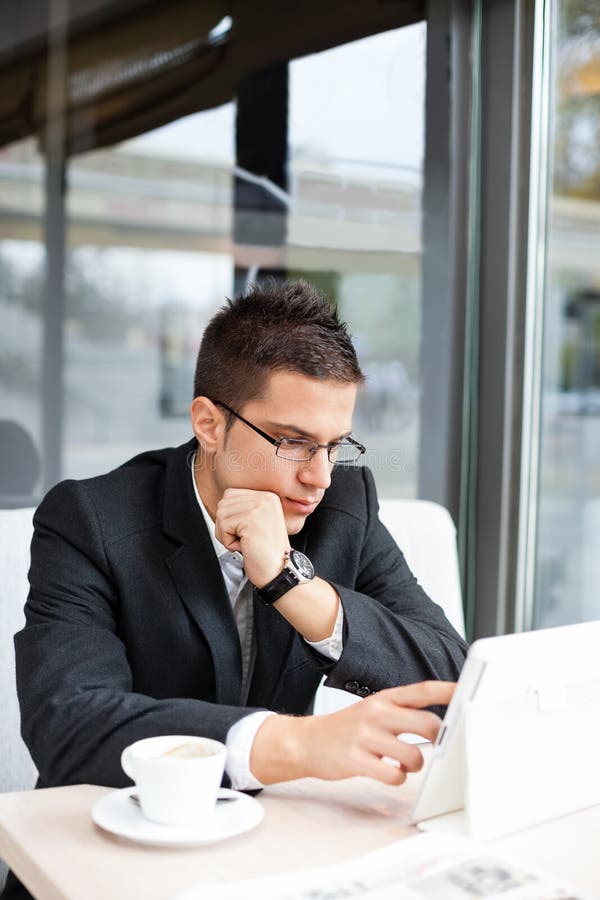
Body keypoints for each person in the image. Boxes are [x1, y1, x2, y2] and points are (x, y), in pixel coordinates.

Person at [6, 281, 466, 897]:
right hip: (111, 861)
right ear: (209, 424)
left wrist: (291, 583)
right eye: (293, 441)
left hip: (274, 857)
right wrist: (294, 743)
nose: (318, 477)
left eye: (334, 446)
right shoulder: (89, 520)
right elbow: (68, 724)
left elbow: (453, 683)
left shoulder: (343, 508)